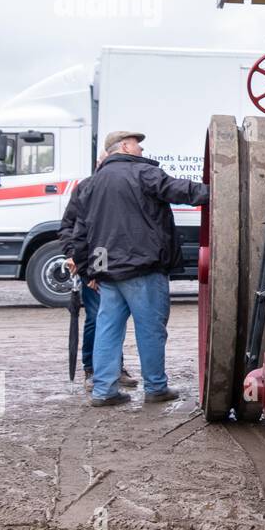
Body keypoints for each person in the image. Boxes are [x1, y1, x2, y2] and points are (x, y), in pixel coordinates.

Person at [68, 130, 209, 407]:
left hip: (107, 271)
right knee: (151, 329)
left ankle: (103, 391)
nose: (143, 151)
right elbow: (180, 190)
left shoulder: (91, 183)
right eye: (138, 146)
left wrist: (91, 272)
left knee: (108, 330)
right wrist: (218, 190)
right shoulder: (141, 173)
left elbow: (82, 233)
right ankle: (156, 387)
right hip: (143, 267)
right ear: (124, 146)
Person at [60, 151, 136, 389]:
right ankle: (92, 369)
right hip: (94, 258)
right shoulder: (87, 187)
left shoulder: (116, 186)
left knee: (114, 317)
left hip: (117, 259)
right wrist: (74, 255)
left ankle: (112, 367)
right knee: (97, 316)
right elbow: (68, 226)